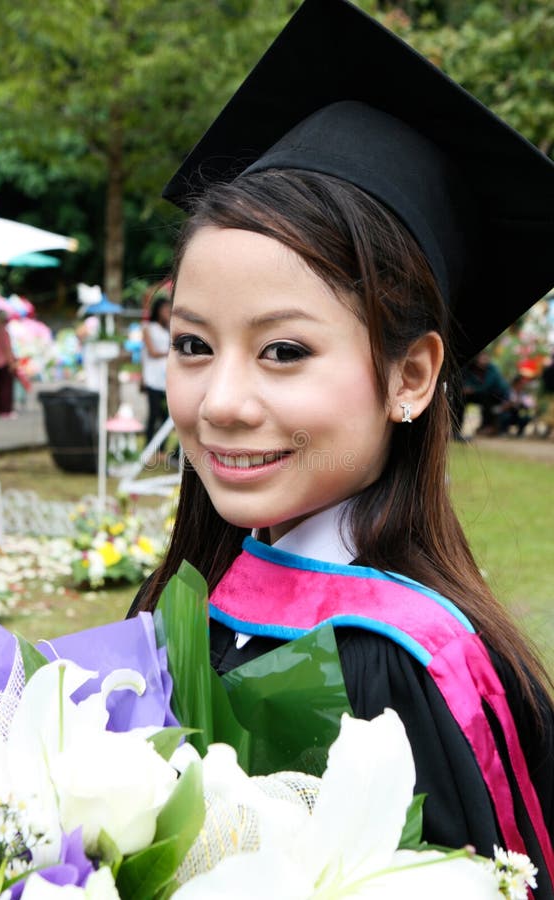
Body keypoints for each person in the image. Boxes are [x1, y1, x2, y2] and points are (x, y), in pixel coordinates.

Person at [128, 0, 554, 892]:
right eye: (193, 343)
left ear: (411, 376)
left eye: (284, 351)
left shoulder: (412, 669)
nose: (221, 402)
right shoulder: (178, 608)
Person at [456, 351, 511, 437]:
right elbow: (464, 381)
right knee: (460, 399)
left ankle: (488, 427)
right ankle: (456, 428)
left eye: (485, 358)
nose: (483, 361)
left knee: (489, 405)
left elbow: (487, 386)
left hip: (497, 396)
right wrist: (466, 388)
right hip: (481, 394)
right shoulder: (470, 368)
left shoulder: (492, 369)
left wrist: (472, 389)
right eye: (482, 358)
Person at [141, 295, 172, 445]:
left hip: (166, 378)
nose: (167, 312)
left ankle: (162, 448)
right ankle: (149, 446)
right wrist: (170, 352)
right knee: (153, 413)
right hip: (152, 377)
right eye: (164, 309)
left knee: (166, 415)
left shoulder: (169, 330)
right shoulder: (148, 328)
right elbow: (151, 352)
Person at [0, 309, 17, 417]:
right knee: (6, 388)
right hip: (4, 362)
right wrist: (11, 363)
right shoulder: (4, 332)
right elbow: (7, 349)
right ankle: (5, 410)